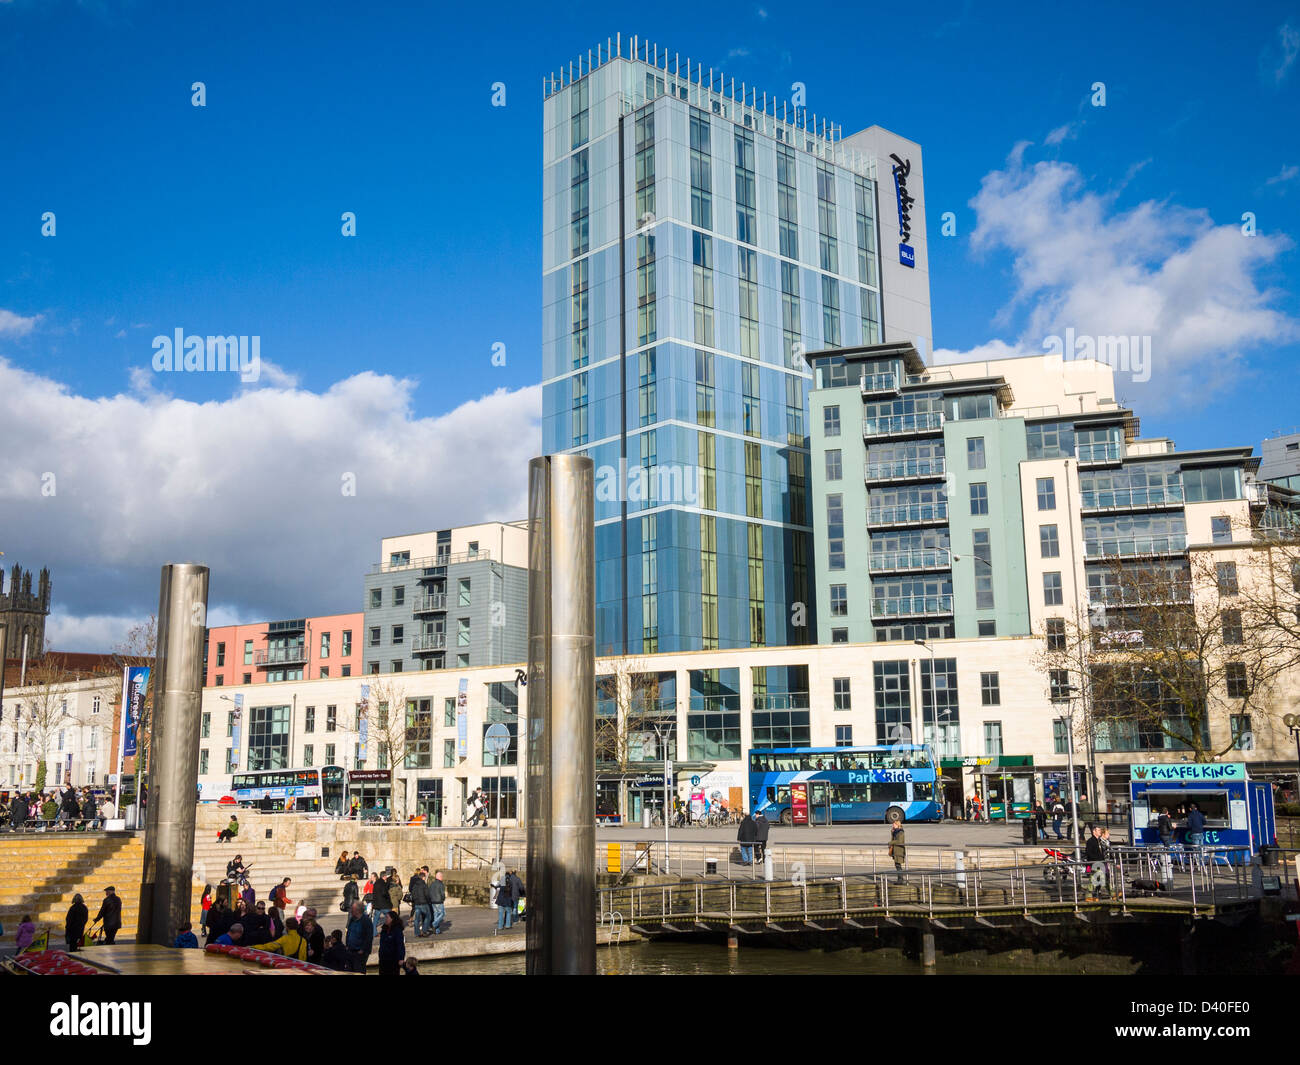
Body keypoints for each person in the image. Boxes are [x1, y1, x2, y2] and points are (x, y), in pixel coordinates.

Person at [345, 901, 374, 973]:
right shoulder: (352, 919)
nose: (351, 910)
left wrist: (363, 950)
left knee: (359, 971)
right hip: (350, 950)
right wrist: (347, 945)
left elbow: (369, 937)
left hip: (360, 952)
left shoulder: (366, 921)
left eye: (352, 909)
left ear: (357, 910)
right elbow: (349, 932)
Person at [377, 910, 405, 975]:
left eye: (387, 917)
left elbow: (400, 945)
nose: (385, 919)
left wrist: (401, 958)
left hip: (393, 959)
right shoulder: (384, 930)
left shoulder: (397, 930)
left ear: (392, 919)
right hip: (383, 959)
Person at [495, 868, 521, 932]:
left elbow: (497, 886)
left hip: (501, 899)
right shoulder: (511, 880)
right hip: (507, 899)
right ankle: (507, 925)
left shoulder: (502, 879)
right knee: (509, 912)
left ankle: (500, 926)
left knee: (501, 913)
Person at [1084, 826, 1107, 898]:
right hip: (1094, 863)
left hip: (1100, 862)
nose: (1100, 831)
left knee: (1100, 878)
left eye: (1100, 830)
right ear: (1094, 831)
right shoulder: (1090, 841)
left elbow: (1102, 852)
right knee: (1098, 877)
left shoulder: (1099, 841)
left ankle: (1092, 893)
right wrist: (1096, 860)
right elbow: (1089, 853)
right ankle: (1089, 893)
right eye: (1098, 830)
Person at [409, 868, 432, 937]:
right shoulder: (424, 885)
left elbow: (413, 893)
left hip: (417, 904)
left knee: (417, 919)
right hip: (424, 903)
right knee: (428, 916)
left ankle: (417, 933)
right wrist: (428, 901)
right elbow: (427, 895)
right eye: (424, 877)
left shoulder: (415, 885)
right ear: (423, 877)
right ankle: (424, 931)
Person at [429, 869, 447, 935]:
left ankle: (437, 931)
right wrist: (443, 899)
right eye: (441, 876)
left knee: (436, 915)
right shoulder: (441, 884)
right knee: (442, 914)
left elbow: (429, 892)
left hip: (433, 901)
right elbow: (442, 894)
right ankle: (434, 924)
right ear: (439, 877)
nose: (442, 877)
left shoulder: (432, 884)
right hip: (439, 901)